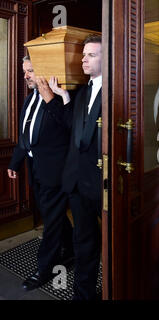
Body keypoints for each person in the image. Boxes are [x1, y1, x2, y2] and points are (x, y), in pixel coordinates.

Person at [7, 56, 73, 291]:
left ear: (44, 71)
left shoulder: (58, 101)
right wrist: (14, 163)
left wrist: (51, 99)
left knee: (51, 221)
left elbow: (70, 130)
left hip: (55, 174)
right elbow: (25, 138)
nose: (26, 76)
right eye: (24, 71)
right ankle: (72, 247)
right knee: (51, 213)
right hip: (35, 171)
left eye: (31, 71)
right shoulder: (28, 101)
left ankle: (44, 269)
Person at [45, 34, 102, 300]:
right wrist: (64, 97)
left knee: (116, 242)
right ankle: (84, 296)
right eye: (84, 54)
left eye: (91, 54)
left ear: (106, 58)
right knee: (83, 244)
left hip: (105, 182)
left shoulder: (119, 91)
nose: (84, 59)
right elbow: (74, 131)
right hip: (78, 183)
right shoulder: (82, 92)